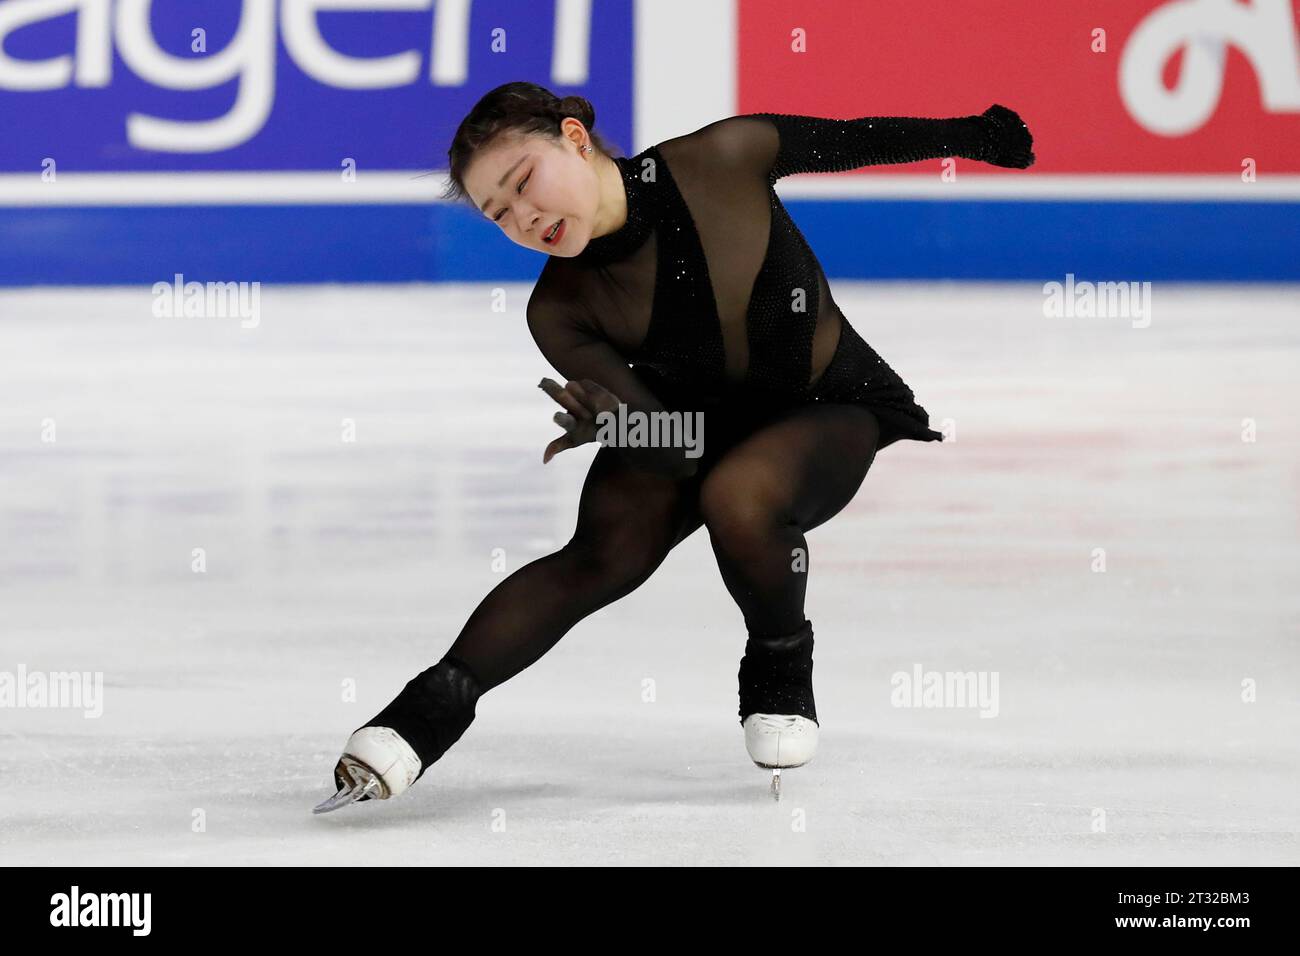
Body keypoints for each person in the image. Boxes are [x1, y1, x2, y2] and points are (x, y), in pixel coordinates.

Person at [315, 81, 1034, 811]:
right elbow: (682, 454)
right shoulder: (560, 310)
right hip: (686, 427)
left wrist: (974, 134)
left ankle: (779, 660)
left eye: (523, 181)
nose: (524, 216)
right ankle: (418, 721)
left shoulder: (721, 158)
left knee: (741, 496)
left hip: (829, 405)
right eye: (499, 214)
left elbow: (853, 137)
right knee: (602, 553)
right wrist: (624, 428)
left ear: (574, 136)